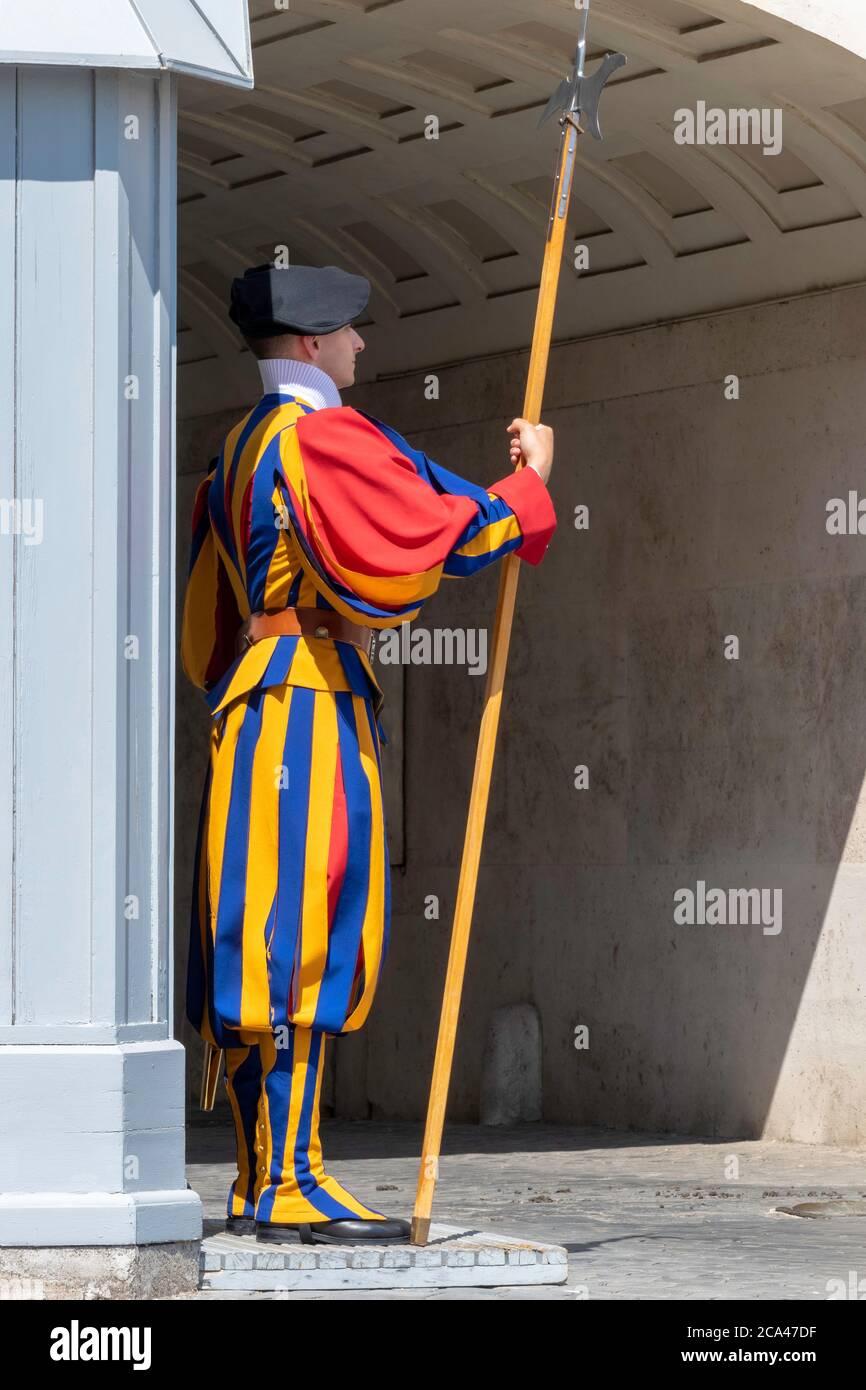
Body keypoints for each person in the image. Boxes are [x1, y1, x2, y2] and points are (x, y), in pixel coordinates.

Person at [180, 262, 557, 1246]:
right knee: (307, 935)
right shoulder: (322, 434)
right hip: (308, 705)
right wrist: (526, 491)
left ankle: (260, 1180)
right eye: (347, 331)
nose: (360, 347)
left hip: (253, 706)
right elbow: (428, 528)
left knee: (257, 938)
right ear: (308, 344)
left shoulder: (234, 450)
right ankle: (291, 1181)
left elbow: (201, 626)